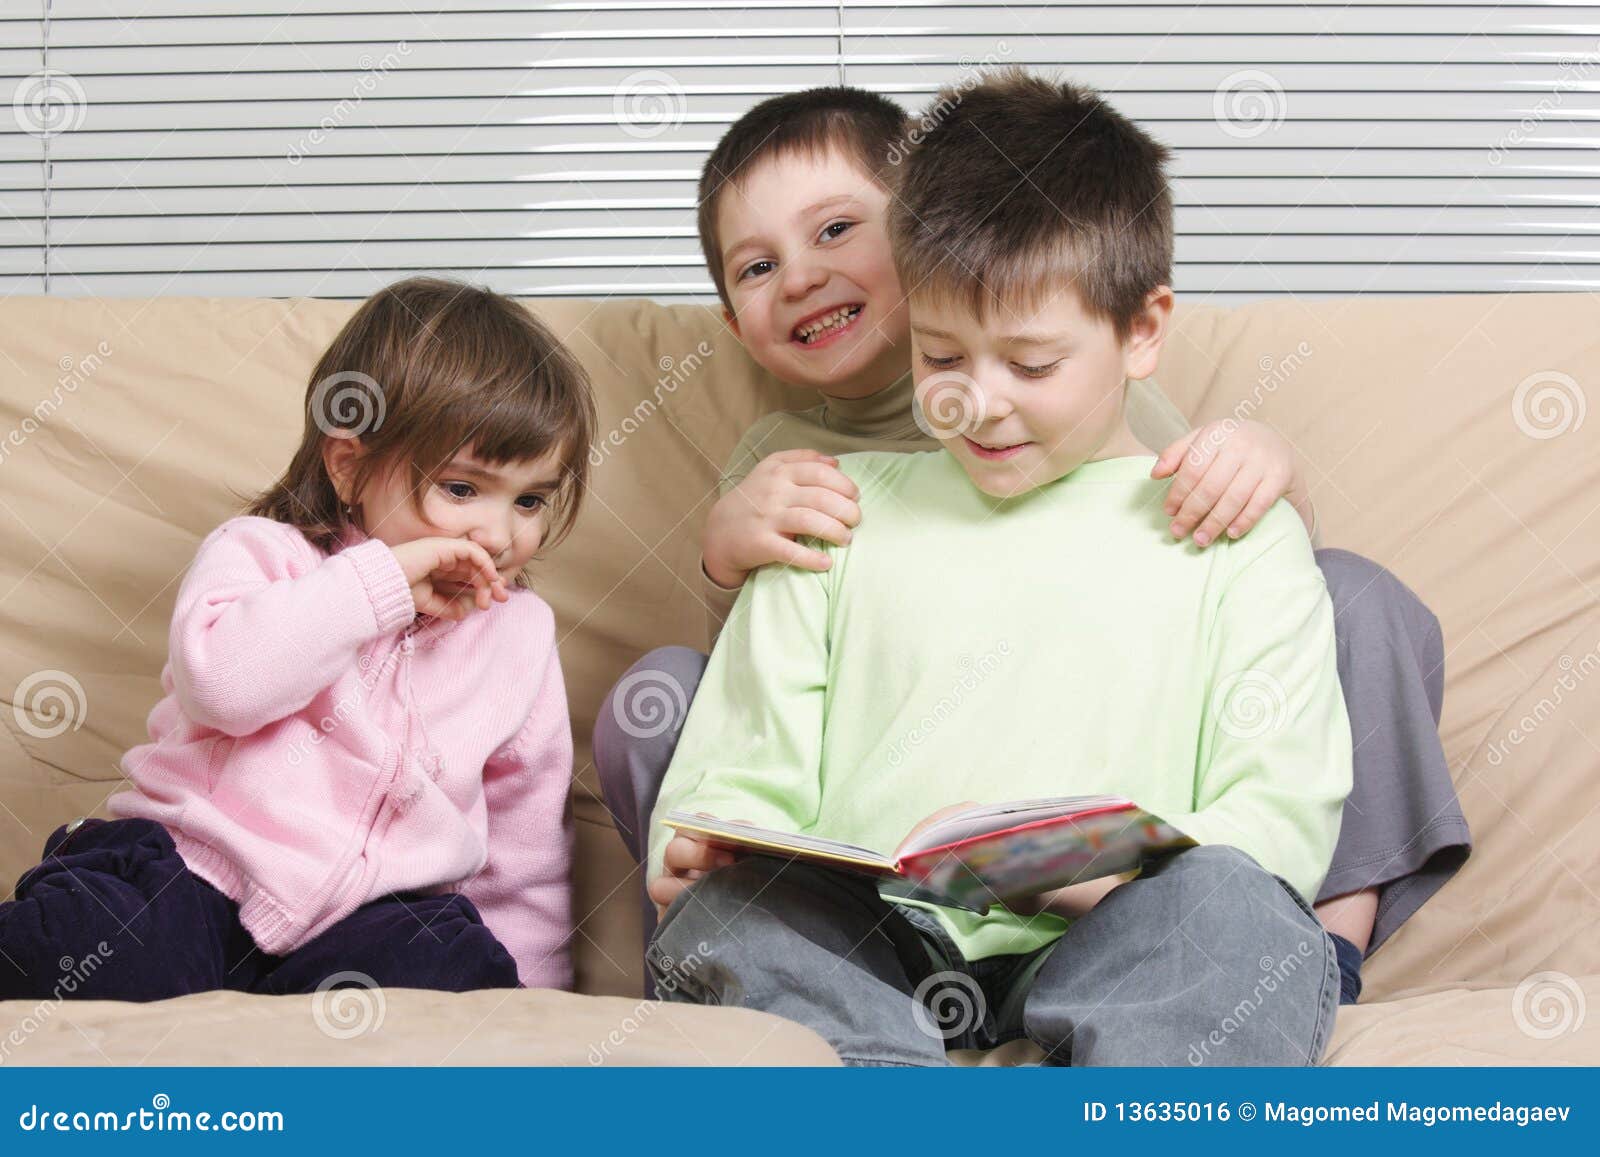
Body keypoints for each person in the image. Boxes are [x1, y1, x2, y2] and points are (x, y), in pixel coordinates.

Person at [596, 84, 1467, 1005]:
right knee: (694, 797)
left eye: (836, 231)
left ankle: (1320, 945)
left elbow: (1245, 670)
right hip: (885, 925)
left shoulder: (1151, 468)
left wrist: (1270, 466)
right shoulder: (802, 483)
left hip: (1115, 914)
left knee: (1343, 622)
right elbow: (751, 708)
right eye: (943, 358)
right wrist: (724, 557)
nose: (979, 400)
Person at [0, 276, 595, 1001]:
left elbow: (526, 849)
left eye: (530, 499)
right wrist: (376, 583)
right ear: (349, 466)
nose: (500, 535)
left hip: (372, 919)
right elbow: (223, 684)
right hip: (192, 874)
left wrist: (535, 1005)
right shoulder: (264, 554)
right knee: (102, 949)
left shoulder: (519, 634)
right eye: (461, 489)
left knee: (455, 966)